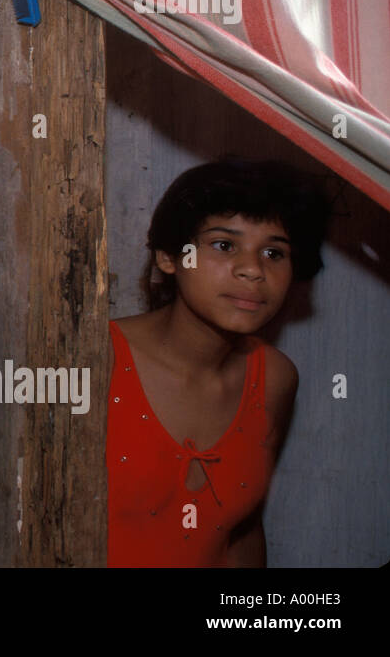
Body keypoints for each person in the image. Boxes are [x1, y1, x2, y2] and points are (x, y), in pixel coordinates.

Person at [108, 159, 330, 566]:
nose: (252, 270)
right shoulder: (95, 360)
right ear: (168, 258)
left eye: (274, 252)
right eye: (225, 245)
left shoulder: (275, 378)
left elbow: (241, 536)